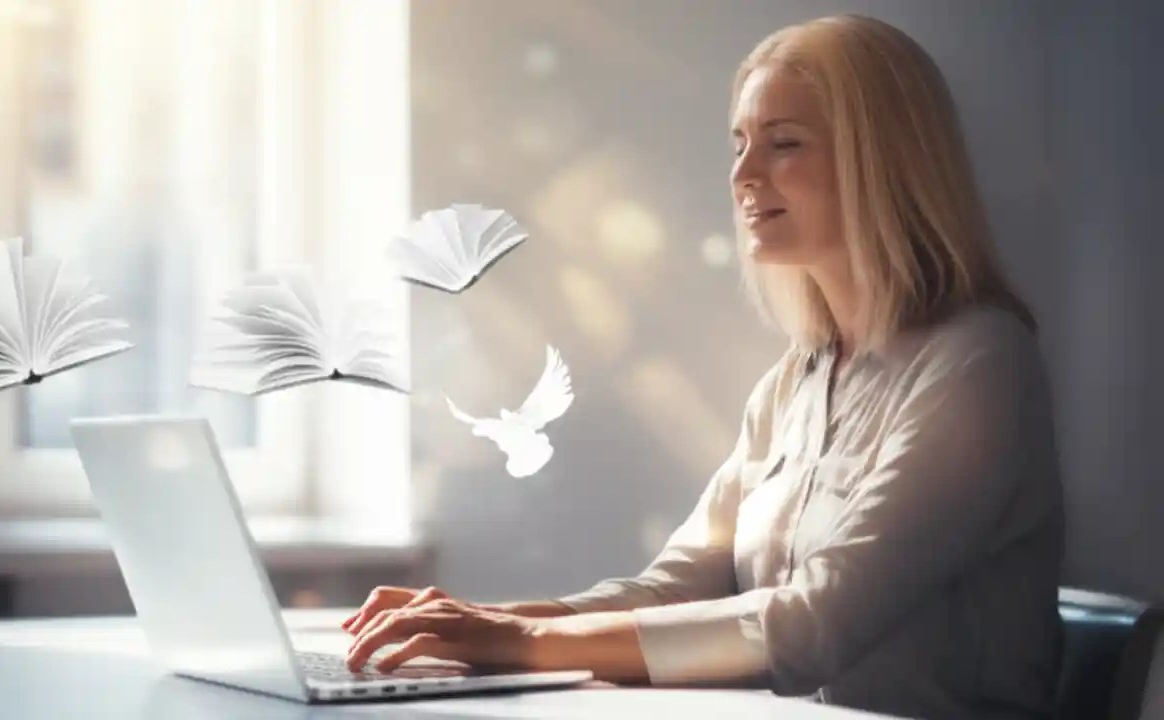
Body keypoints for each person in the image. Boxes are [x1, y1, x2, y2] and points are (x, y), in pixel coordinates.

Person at [342, 13, 1064, 720]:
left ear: (881, 160)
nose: (744, 174)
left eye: (784, 144)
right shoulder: (796, 381)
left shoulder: (980, 361)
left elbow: (814, 623)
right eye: (740, 144)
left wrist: (521, 643)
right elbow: (679, 587)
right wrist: (483, 624)